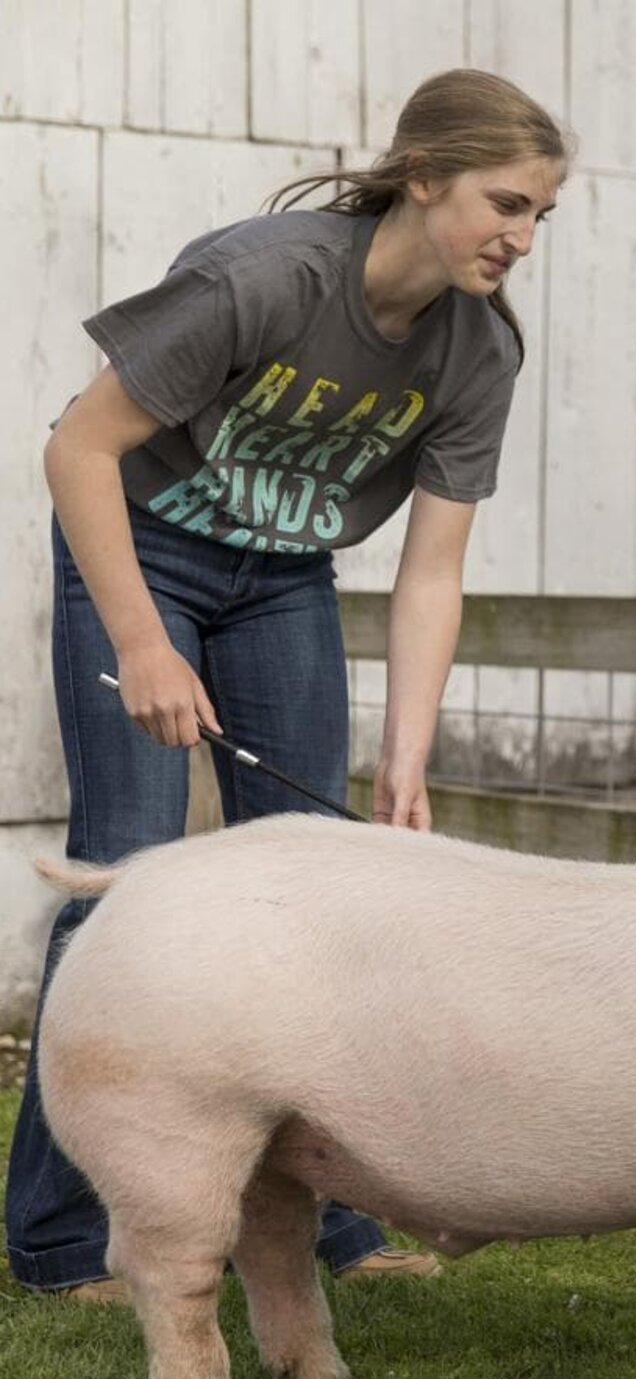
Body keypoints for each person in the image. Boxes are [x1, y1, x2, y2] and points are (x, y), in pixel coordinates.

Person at [6, 69, 570, 1301]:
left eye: (540, 217)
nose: (521, 239)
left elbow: (431, 571)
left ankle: (329, 1232)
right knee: (128, 871)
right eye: (506, 204)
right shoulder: (264, 279)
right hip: (144, 541)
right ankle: (54, 1241)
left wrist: (407, 751)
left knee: (321, 895)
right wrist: (143, 642)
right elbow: (76, 448)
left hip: (281, 576)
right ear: (423, 178)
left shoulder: (480, 352)